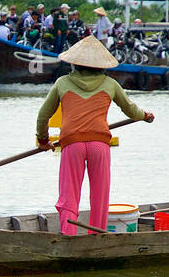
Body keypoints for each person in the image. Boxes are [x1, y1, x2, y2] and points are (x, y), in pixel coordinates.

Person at [35, 35, 154, 236]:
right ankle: (97, 235)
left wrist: (43, 140)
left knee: (69, 195)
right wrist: (146, 116)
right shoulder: (110, 84)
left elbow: (43, 116)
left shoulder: (62, 83)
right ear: (102, 66)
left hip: (72, 144)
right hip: (99, 145)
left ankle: (68, 234)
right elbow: (131, 111)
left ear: (74, 64)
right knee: (100, 196)